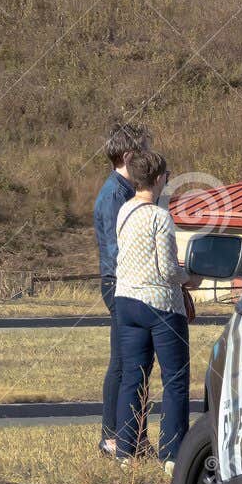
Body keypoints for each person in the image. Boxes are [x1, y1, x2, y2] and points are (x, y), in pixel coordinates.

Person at [113, 149, 193, 473]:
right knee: (174, 379)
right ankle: (172, 455)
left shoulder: (124, 211)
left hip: (126, 301)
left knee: (133, 377)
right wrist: (192, 277)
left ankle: (125, 451)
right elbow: (167, 271)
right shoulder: (160, 216)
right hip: (160, 304)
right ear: (159, 178)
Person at [94, 123, 151, 458]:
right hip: (120, 283)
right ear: (128, 156)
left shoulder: (123, 190)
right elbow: (119, 249)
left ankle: (124, 434)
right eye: (142, 151)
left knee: (129, 361)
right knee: (121, 363)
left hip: (123, 282)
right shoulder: (116, 194)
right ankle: (112, 435)